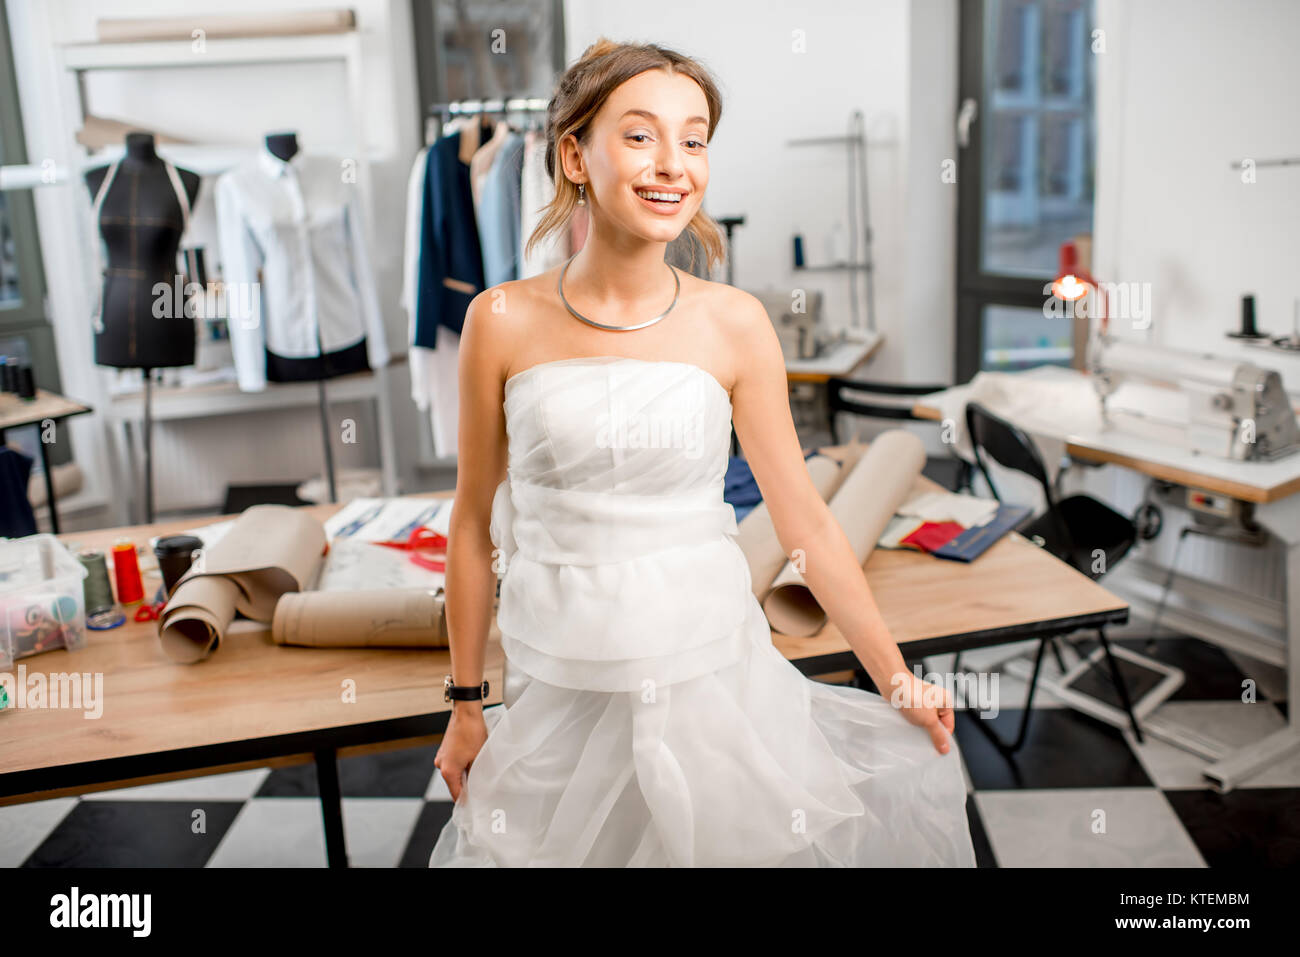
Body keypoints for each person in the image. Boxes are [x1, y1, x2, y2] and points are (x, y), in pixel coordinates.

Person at [429, 37, 977, 867]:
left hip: (715, 687)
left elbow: (807, 525)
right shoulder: (500, 320)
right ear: (575, 153)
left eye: (694, 139)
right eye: (641, 135)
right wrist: (466, 704)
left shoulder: (736, 322)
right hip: (558, 689)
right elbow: (471, 526)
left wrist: (896, 677)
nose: (673, 164)